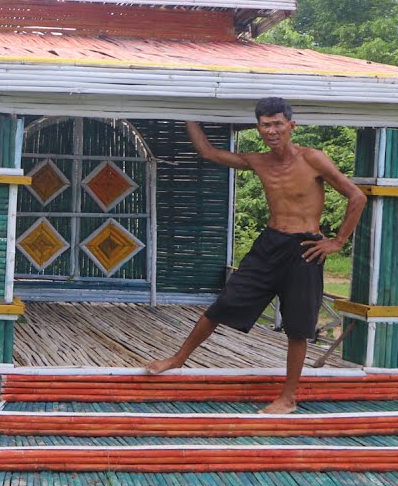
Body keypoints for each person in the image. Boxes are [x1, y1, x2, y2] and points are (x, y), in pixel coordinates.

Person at [144, 98, 367, 414]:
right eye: (265, 124)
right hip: (269, 245)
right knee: (223, 304)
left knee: (299, 326)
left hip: (305, 249)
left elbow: (356, 196)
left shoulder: (313, 159)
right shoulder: (257, 160)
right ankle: (177, 359)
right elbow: (208, 153)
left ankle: (288, 398)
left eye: (278, 123)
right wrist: (185, 110)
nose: (272, 130)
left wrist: (337, 242)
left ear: (291, 125)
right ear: (258, 128)